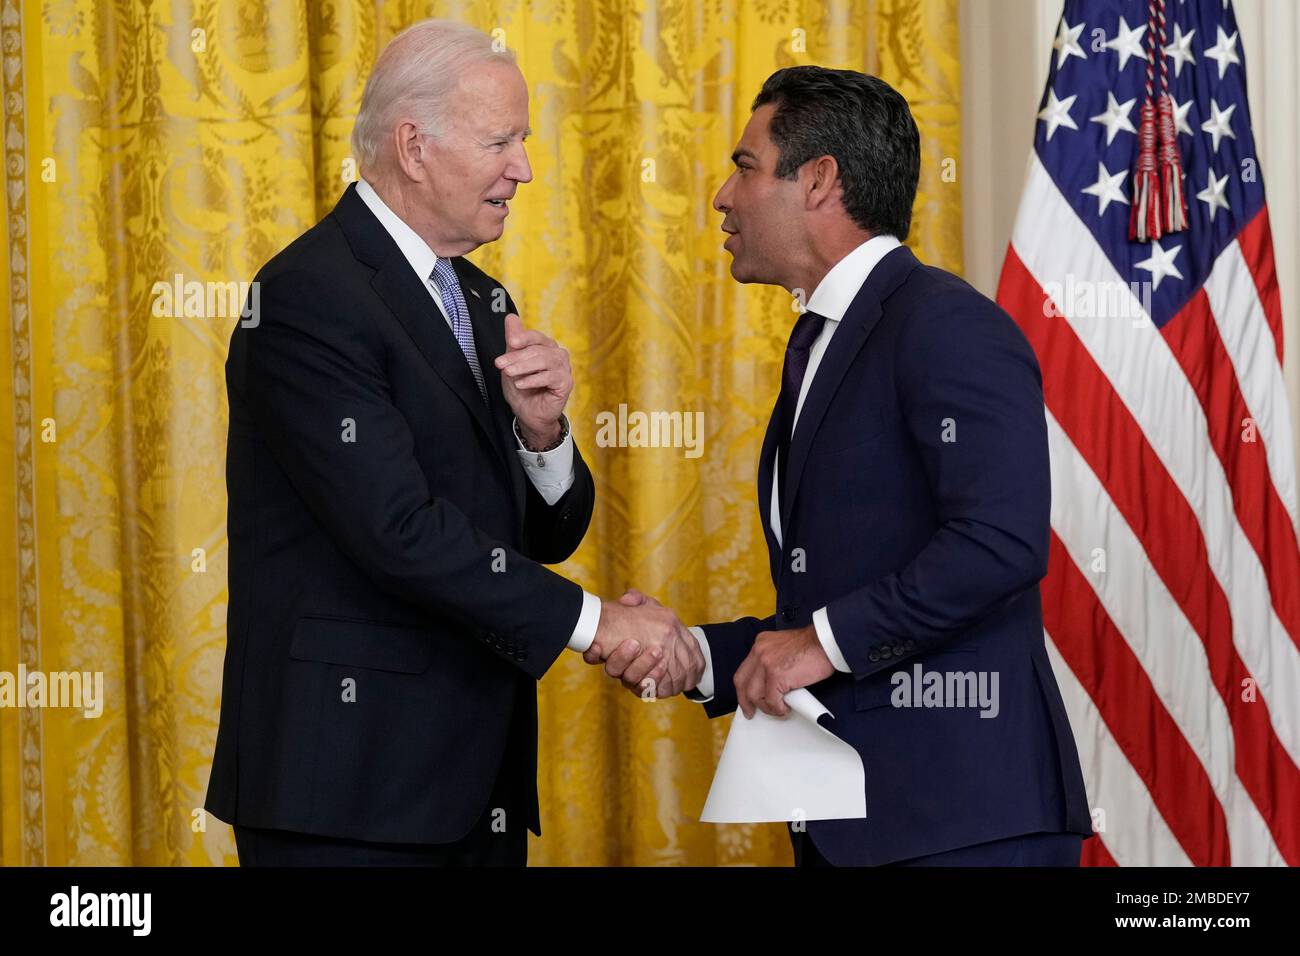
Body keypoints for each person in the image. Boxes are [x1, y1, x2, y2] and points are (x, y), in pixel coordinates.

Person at [205, 18, 700, 867]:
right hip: (349, 793)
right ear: (414, 146)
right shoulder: (307, 294)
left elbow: (539, 533)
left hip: (472, 785)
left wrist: (542, 434)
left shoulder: (478, 293)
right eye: (501, 141)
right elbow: (396, 531)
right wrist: (596, 625)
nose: (525, 168)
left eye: (525, 141)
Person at [605, 66, 1093, 867]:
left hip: (963, 827)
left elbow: (1000, 543)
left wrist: (818, 643)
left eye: (745, 166)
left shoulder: (946, 324)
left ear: (821, 180)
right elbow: (830, 604)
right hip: (859, 827)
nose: (723, 198)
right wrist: (696, 655)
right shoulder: (822, 342)